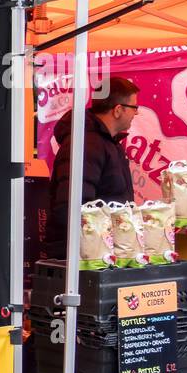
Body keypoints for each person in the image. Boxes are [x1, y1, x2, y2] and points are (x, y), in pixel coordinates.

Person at [43, 76, 139, 257]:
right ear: (118, 110)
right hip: (83, 255)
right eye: (135, 108)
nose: (136, 113)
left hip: (100, 251)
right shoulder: (87, 144)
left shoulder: (106, 143)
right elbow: (72, 206)